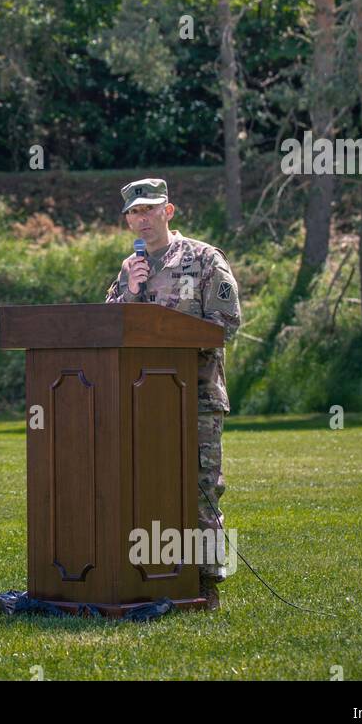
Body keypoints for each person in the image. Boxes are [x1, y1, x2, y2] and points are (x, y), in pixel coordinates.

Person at [104, 178, 241, 610]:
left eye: (150, 209)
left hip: (197, 397)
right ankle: (152, 577)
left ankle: (206, 587)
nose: (141, 218)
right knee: (147, 488)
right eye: (134, 212)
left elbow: (226, 326)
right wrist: (129, 290)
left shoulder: (204, 259)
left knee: (200, 488)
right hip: (142, 400)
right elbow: (105, 330)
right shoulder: (130, 267)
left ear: (169, 211)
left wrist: (173, 340)